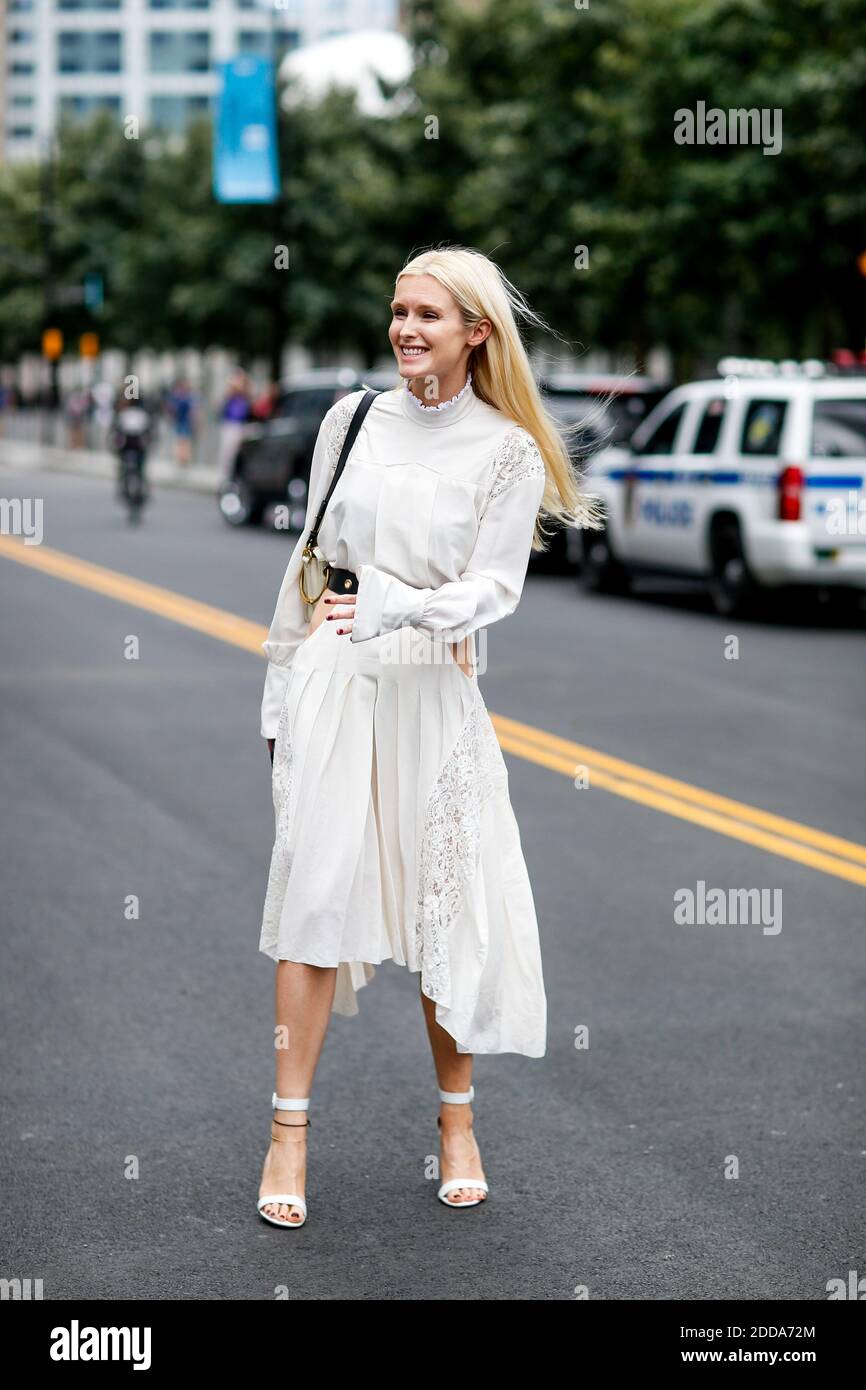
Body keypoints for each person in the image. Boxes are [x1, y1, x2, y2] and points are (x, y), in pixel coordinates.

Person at [255, 245, 603, 1228]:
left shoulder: (505, 451)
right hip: (333, 683)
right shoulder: (349, 418)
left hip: (430, 695)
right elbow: (314, 556)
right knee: (311, 906)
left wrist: (399, 610)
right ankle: (288, 1134)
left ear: (474, 333)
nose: (406, 329)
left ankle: (456, 1122)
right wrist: (280, 694)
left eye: (428, 316)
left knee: (443, 914)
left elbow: (491, 590)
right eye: (398, 310)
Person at [217, 369, 252, 484]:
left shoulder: (245, 397)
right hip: (231, 426)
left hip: (240, 427)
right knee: (227, 455)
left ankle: (235, 479)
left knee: (238, 456)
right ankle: (226, 479)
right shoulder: (231, 396)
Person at [166, 377, 196, 466]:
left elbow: (192, 411)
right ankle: (181, 457)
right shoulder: (177, 397)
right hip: (180, 421)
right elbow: (172, 409)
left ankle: (184, 457)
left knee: (184, 440)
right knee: (181, 440)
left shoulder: (188, 398)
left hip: (185, 421)